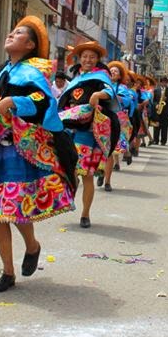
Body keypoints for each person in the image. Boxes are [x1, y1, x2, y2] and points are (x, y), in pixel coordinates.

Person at [0, 16, 77, 292]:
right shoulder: (3, 72)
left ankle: (32, 246)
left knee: (15, 210)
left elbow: (43, 101)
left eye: (18, 34)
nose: (10, 36)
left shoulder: (31, 74)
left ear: (30, 44)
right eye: (11, 31)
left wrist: (17, 101)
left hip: (18, 151)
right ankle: (8, 271)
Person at [58, 41, 118, 229]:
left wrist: (98, 95)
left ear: (97, 59)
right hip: (68, 130)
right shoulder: (74, 77)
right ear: (79, 58)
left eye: (92, 57)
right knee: (68, 171)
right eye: (84, 56)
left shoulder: (101, 77)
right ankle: (69, 199)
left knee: (86, 175)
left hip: (87, 131)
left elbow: (109, 92)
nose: (88, 60)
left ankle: (85, 214)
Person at [100, 60, 134, 192]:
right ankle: (101, 173)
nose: (113, 72)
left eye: (116, 71)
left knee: (110, 152)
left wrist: (115, 97)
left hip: (115, 121)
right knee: (99, 150)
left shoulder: (122, 88)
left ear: (120, 76)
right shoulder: (101, 85)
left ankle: (107, 181)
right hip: (100, 120)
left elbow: (126, 101)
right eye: (111, 71)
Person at [151, 76, 168, 145]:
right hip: (158, 110)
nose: (164, 83)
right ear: (160, 83)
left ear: (167, 83)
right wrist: (156, 105)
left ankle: (163, 141)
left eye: (165, 82)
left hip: (166, 111)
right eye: (163, 82)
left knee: (165, 127)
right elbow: (154, 101)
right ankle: (155, 140)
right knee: (156, 126)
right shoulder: (156, 90)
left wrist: (166, 99)